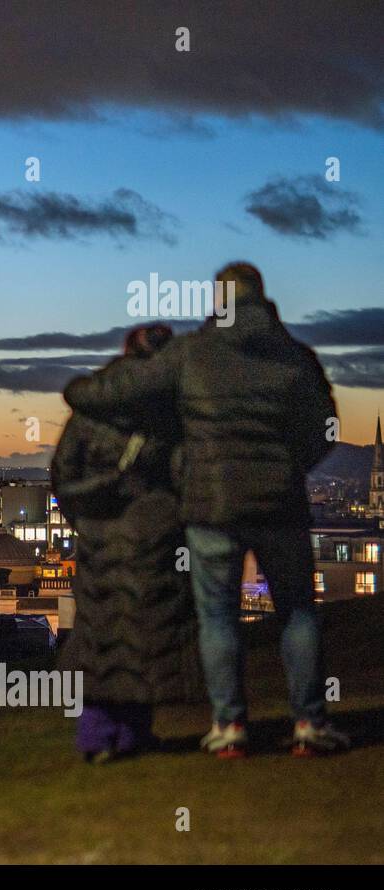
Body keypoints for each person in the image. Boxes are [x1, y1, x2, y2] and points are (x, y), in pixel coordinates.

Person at [64, 263, 350, 757]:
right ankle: (309, 722)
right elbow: (325, 424)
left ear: (219, 301)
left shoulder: (192, 354)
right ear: (262, 297)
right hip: (280, 500)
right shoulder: (296, 357)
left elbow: (117, 392)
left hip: (211, 503)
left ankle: (230, 727)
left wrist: (78, 391)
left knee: (218, 616)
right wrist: (290, 465)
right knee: (298, 612)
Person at [54, 323, 199, 763]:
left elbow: (63, 472)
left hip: (100, 532)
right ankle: (134, 732)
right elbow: (185, 475)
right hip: (153, 533)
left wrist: (88, 517)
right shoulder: (169, 410)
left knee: (98, 633)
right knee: (146, 633)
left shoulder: (91, 407)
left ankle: (96, 733)